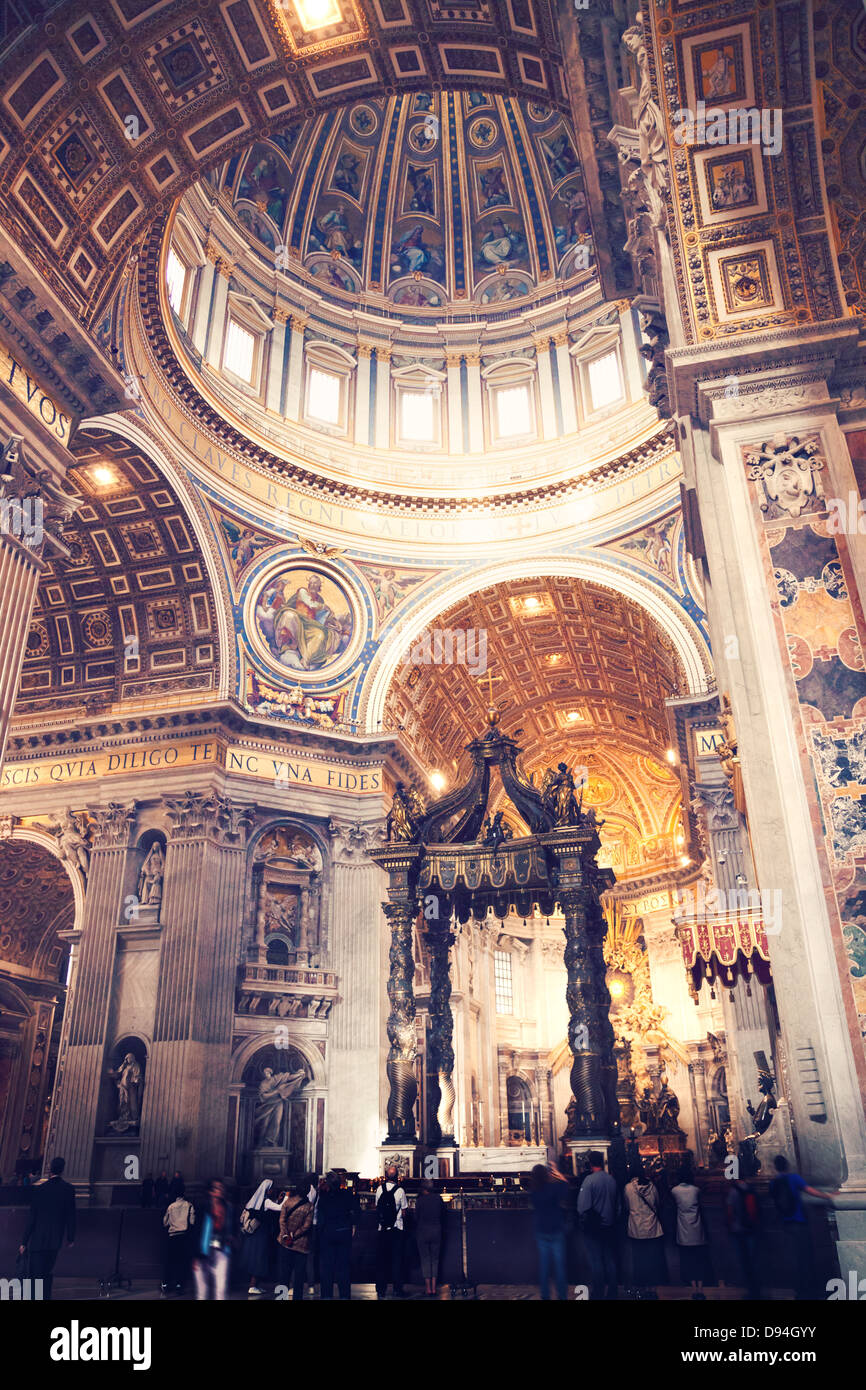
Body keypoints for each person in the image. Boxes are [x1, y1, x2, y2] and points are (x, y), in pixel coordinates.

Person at [770, 1154, 833, 1300]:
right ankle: (810, 1289)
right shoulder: (793, 1178)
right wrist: (829, 1196)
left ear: (775, 1167)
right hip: (799, 1221)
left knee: (794, 1256)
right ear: (787, 1165)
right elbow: (811, 1191)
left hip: (785, 1223)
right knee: (806, 1255)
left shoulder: (773, 1183)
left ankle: (800, 1289)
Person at [17, 1155, 75, 1301]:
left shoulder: (40, 1189)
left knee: (35, 1273)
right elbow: (71, 1215)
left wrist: (24, 1241)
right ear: (62, 1170)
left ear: (50, 1170)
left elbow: (32, 1218)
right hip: (55, 1238)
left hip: (37, 1238)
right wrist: (70, 1237)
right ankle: (45, 1297)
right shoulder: (68, 1189)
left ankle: (35, 1297)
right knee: (47, 1270)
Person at [577, 1151, 618, 1300]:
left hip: (594, 1227)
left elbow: (582, 1206)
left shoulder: (589, 1180)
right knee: (609, 1259)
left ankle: (599, 1293)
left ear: (590, 1163)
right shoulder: (611, 1180)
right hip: (609, 1225)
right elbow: (617, 1204)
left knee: (596, 1260)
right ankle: (613, 1291)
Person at [624, 1165, 666, 1294]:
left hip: (636, 1228)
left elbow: (627, 1206)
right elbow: (657, 1203)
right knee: (652, 1258)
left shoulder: (628, 1188)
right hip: (652, 1227)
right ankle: (652, 1288)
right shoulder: (652, 1186)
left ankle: (640, 1287)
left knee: (639, 1259)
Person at [529, 1164, 569, 1300]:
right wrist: (556, 1171)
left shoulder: (533, 1191)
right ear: (546, 1174)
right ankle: (562, 1296)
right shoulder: (553, 1188)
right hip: (556, 1229)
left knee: (544, 1266)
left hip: (541, 1229)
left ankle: (545, 1296)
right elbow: (565, 1184)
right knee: (559, 1267)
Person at [237, 1177, 282, 1295]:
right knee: (259, 1258)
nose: (274, 1190)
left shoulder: (255, 1201)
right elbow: (279, 1208)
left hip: (255, 1234)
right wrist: (286, 1198)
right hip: (261, 1234)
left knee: (256, 1257)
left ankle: (255, 1285)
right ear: (268, 1190)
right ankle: (252, 1285)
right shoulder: (266, 1201)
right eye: (272, 1188)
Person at [317, 1170, 357, 1300]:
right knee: (343, 1268)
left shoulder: (323, 1197)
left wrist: (319, 1234)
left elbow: (320, 1218)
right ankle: (344, 1296)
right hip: (343, 1232)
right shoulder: (347, 1194)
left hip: (327, 1234)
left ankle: (326, 1296)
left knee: (327, 1268)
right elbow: (356, 1211)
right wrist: (353, 1225)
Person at [671, 1167, 711, 1298]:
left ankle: (693, 1287)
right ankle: (700, 1287)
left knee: (688, 1261)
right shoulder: (696, 1190)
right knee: (699, 1260)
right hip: (697, 1228)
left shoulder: (675, 1191)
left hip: (683, 1229)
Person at [192, 1179, 233, 1300]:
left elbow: (232, 1227)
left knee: (221, 1289)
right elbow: (195, 1231)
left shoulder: (229, 1208)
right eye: (217, 1188)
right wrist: (195, 1256)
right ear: (211, 1192)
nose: (221, 1190)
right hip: (202, 1252)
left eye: (222, 1187)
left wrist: (232, 1238)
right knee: (202, 1291)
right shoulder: (202, 1207)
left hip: (222, 1250)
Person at [375, 1163, 408, 1298]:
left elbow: (377, 1208)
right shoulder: (400, 1191)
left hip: (382, 1229)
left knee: (382, 1260)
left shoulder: (379, 1189)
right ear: (398, 1177)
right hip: (396, 1229)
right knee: (397, 1260)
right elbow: (404, 1212)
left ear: (385, 1176)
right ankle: (397, 1289)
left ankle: (381, 1289)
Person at [726, 1176, 761, 1299]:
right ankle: (757, 1290)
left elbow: (730, 1212)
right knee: (754, 1259)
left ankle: (751, 1290)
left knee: (744, 1261)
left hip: (738, 1230)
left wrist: (730, 1226)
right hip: (751, 1228)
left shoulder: (733, 1191)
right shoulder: (751, 1188)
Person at [278, 1181, 313, 1300]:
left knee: (284, 1275)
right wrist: (293, 1236)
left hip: (285, 1243)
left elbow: (281, 1221)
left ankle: (281, 1298)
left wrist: (286, 1236)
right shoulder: (309, 1206)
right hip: (301, 1245)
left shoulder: (288, 1202)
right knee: (299, 1277)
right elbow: (306, 1226)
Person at [162, 1182, 195, 1295]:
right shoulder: (189, 1205)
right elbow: (192, 1221)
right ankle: (179, 1285)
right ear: (184, 1193)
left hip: (172, 1237)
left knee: (170, 1261)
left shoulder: (170, 1207)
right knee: (182, 1262)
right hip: (183, 1237)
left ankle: (166, 1284)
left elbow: (165, 1223)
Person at [415, 1178, 445, 1297]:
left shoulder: (420, 1201)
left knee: (425, 1260)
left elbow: (416, 1217)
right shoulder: (438, 1199)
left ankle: (428, 1288)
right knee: (435, 1260)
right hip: (436, 1231)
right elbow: (443, 1214)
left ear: (423, 1189)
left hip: (422, 1232)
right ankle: (433, 1288)